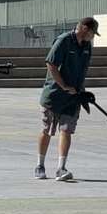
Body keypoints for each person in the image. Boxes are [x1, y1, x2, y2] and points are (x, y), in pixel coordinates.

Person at [36, 17, 98, 181]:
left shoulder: (86, 47)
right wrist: (63, 85)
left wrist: (82, 92)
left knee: (66, 130)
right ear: (84, 28)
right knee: (47, 130)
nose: (93, 37)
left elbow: (82, 70)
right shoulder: (64, 40)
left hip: (73, 97)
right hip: (54, 94)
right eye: (92, 33)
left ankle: (61, 168)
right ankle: (40, 165)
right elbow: (51, 63)